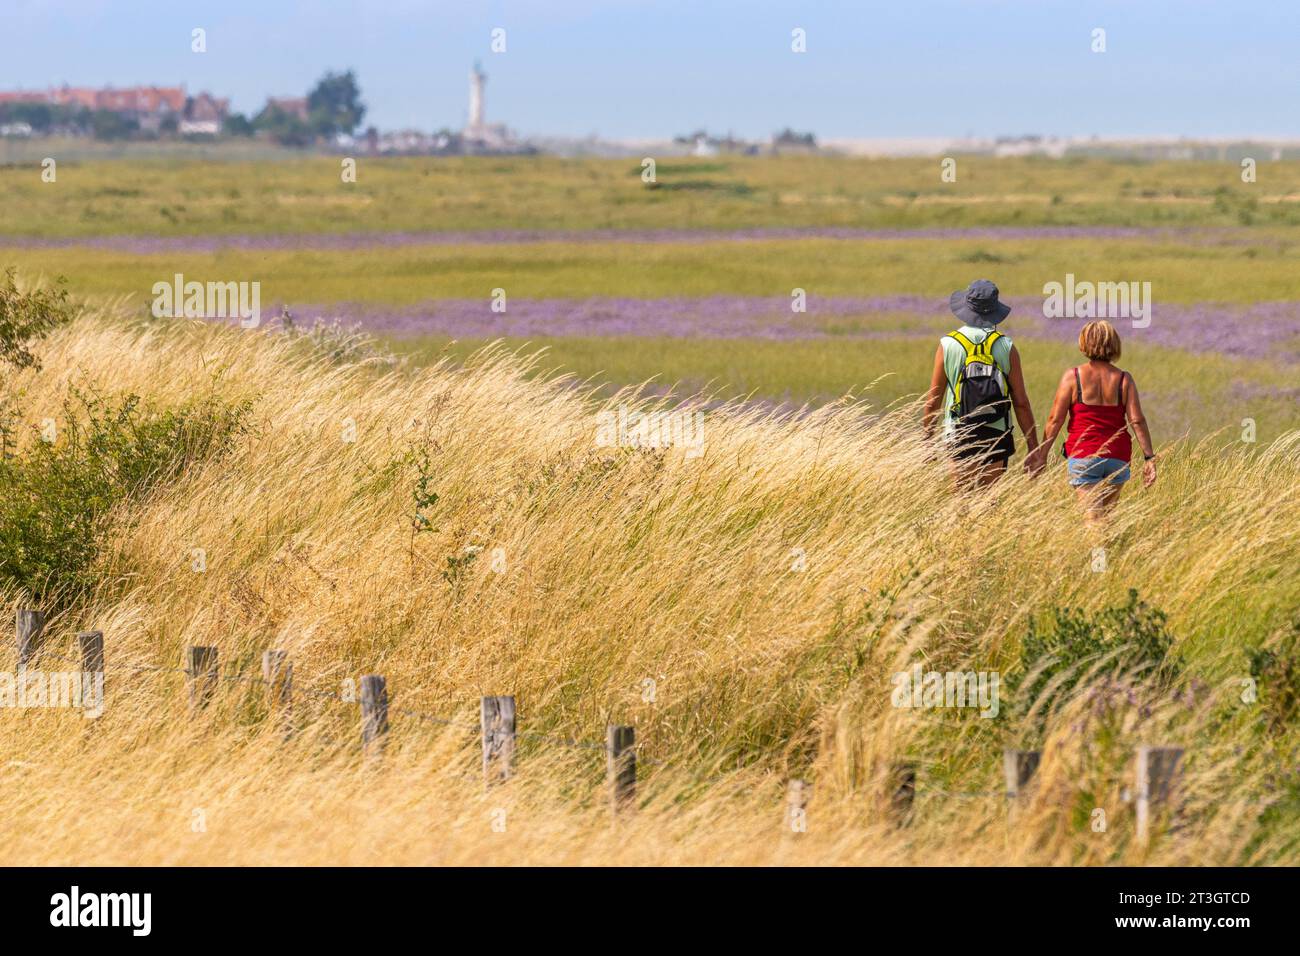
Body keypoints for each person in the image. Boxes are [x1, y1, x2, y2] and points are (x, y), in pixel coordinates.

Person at [1031, 319, 1156, 517]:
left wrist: (1041, 455)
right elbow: (1137, 420)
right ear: (1114, 344)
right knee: (1106, 516)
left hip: (1084, 454)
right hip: (1117, 455)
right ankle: (1106, 548)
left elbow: (1055, 419)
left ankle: (1098, 549)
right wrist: (1149, 457)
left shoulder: (1072, 377)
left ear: (1084, 343)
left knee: (1092, 519)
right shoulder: (1124, 379)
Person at [923, 279, 1040, 488]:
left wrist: (927, 442)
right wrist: (1033, 448)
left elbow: (933, 401)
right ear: (995, 310)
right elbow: (1021, 402)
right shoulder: (1006, 346)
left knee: (962, 505)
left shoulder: (948, 344)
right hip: (996, 434)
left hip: (959, 432)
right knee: (989, 505)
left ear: (967, 308)